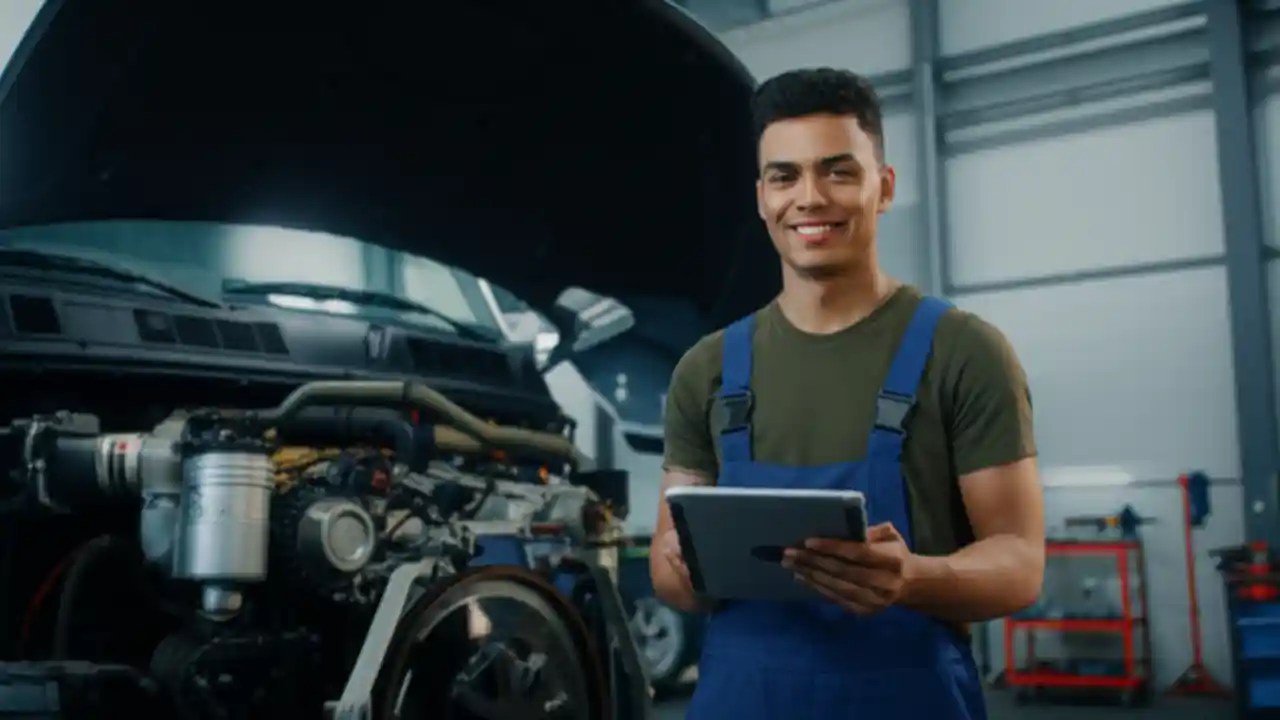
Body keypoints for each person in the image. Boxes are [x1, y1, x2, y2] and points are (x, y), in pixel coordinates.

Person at [648, 67, 1045, 719]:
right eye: (785, 175)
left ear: (882, 187)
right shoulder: (707, 369)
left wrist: (914, 577)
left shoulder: (963, 352)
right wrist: (683, 572)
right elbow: (672, 578)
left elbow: (1021, 562)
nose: (809, 198)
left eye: (838, 171)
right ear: (760, 196)